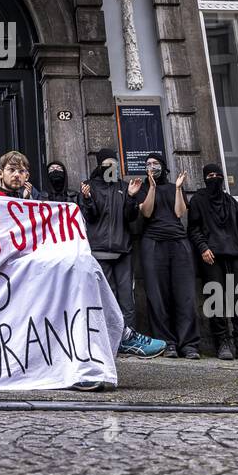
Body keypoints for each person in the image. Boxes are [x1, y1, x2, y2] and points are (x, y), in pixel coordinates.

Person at [80, 149, 167, 359]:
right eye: (107, 163)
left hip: (123, 250)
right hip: (99, 251)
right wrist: (88, 198)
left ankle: (128, 342)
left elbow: (131, 217)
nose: (111, 167)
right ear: (100, 165)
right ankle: (107, 342)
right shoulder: (90, 186)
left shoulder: (123, 186)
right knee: (105, 299)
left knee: (127, 299)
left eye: (114, 163)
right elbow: (89, 217)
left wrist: (130, 196)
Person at [188, 161, 238, 361]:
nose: (214, 179)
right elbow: (193, 228)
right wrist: (203, 247)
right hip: (211, 258)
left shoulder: (230, 202)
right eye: (209, 176)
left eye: (216, 176)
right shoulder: (198, 200)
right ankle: (222, 343)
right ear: (204, 178)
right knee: (216, 301)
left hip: (234, 256)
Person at [137, 151, 198, 358]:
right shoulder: (142, 188)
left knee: (185, 295)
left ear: (163, 165)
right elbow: (146, 212)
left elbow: (180, 213)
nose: (152, 166)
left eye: (155, 163)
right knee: (157, 295)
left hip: (178, 242)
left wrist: (179, 189)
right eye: (148, 164)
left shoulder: (174, 187)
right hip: (153, 242)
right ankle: (167, 343)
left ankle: (188, 344)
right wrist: (152, 187)